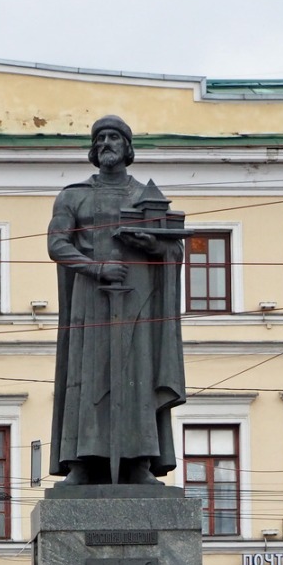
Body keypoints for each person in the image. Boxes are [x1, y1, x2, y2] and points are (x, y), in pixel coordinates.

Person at [48, 115, 186, 486]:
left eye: (115, 137)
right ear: (94, 150)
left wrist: (154, 245)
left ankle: (140, 462)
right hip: (90, 303)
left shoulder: (145, 196)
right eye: (101, 138)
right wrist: (96, 268)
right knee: (86, 378)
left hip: (137, 304)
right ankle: (82, 462)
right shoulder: (73, 195)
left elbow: (173, 247)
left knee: (137, 377)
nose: (107, 143)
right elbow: (57, 244)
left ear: (128, 148)